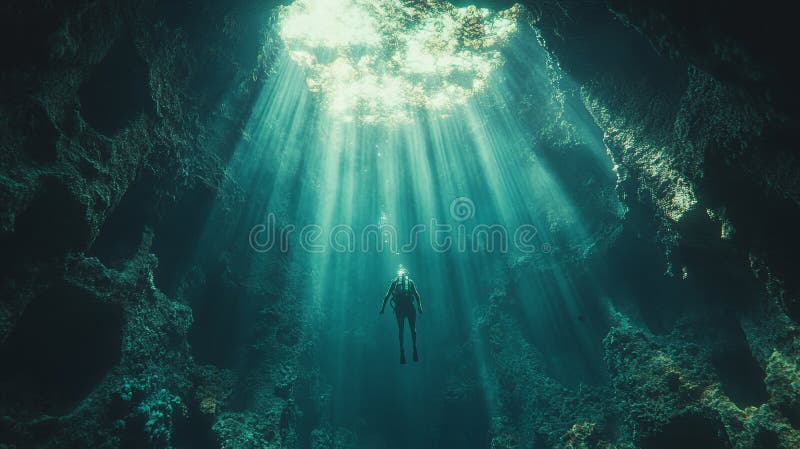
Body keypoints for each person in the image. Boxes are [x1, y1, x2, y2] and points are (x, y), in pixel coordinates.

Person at [380, 265, 423, 364]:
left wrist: (382, 309)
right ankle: (414, 347)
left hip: (399, 309)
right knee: (413, 329)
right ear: (406, 274)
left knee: (401, 330)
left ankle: (402, 351)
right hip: (410, 307)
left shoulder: (395, 283)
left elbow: (387, 296)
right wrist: (420, 307)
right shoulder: (410, 282)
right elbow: (416, 295)